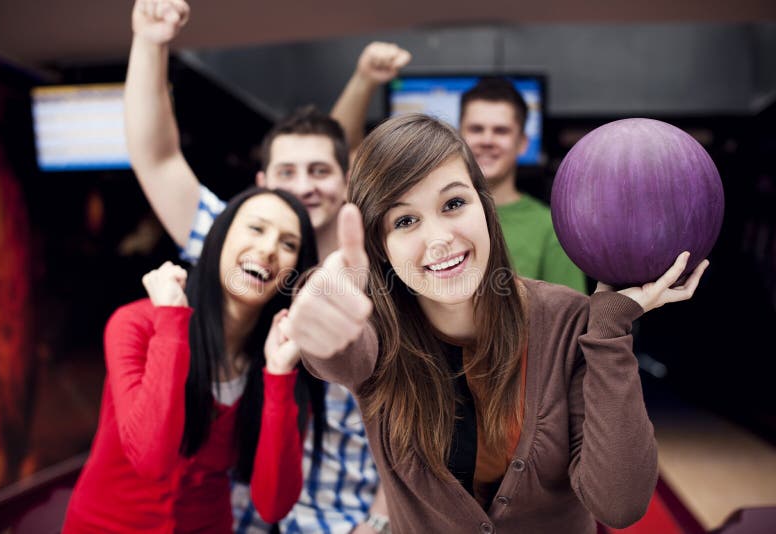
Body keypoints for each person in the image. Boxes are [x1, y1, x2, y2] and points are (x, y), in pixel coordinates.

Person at [283, 114, 709, 533]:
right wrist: (322, 309)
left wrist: (610, 330)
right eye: (405, 221)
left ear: (484, 205)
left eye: (453, 204)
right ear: (381, 246)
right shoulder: (377, 332)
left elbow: (619, 504)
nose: (439, 239)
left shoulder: (568, 320)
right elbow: (339, 352)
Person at [124, 2, 388, 532]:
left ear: (345, 180)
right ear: (263, 183)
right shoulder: (235, 245)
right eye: (287, 171)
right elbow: (157, 157)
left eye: (320, 170)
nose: (304, 185)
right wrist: (150, 43)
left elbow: (412, 418)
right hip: (237, 516)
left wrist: (380, 523)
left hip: (338, 520)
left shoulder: (381, 278)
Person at [63, 187, 323, 532]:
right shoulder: (137, 324)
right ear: (218, 237)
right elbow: (151, 460)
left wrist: (278, 375)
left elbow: (273, 505)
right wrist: (171, 323)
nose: (268, 249)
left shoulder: (284, 353)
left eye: (288, 244)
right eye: (256, 228)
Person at [331, 57, 586, 293]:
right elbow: (340, 151)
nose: (487, 140)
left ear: (522, 143)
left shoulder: (551, 227)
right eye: (476, 129)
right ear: (457, 136)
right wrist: (364, 78)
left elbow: (567, 313)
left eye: (501, 131)